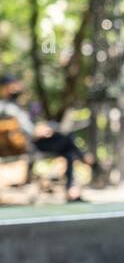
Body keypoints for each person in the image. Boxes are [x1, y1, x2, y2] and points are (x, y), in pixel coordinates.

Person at [0, 74, 94, 202]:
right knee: (67, 139)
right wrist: (37, 131)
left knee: (68, 149)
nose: (16, 89)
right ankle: (85, 160)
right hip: (29, 144)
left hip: (31, 141)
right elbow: (28, 131)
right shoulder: (6, 107)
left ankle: (72, 187)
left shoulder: (15, 105)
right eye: (12, 86)